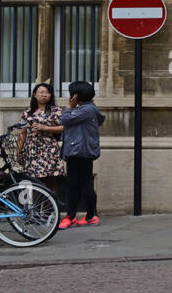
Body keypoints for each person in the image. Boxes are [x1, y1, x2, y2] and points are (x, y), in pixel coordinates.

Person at [58, 80, 105, 229]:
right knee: (79, 184)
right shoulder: (88, 109)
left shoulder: (86, 110)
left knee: (79, 185)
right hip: (80, 151)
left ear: (75, 96)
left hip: (79, 151)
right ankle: (84, 216)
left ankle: (84, 216)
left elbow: (65, 119)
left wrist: (68, 107)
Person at [16, 83, 66, 199]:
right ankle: (37, 210)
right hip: (32, 149)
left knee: (50, 180)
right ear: (35, 94)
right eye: (42, 92)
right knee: (33, 181)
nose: (45, 95)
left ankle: (51, 209)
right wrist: (19, 151)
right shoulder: (27, 113)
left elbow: (64, 127)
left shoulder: (56, 111)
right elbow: (22, 133)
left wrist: (45, 128)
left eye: (48, 93)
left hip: (49, 149)